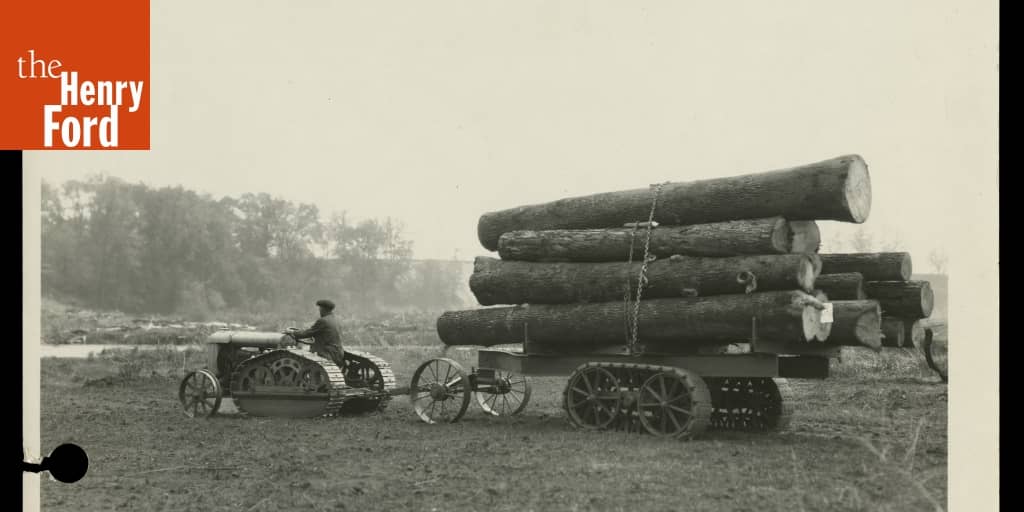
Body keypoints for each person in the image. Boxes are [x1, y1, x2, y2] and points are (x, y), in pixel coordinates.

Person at [286, 299, 346, 367]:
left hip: (327, 353)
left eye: (320, 309)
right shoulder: (336, 320)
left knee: (301, 356)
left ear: (324, 309)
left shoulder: (323, 321)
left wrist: (292, 332)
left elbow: (307, 333)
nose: (319, 311)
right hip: (339, 353)